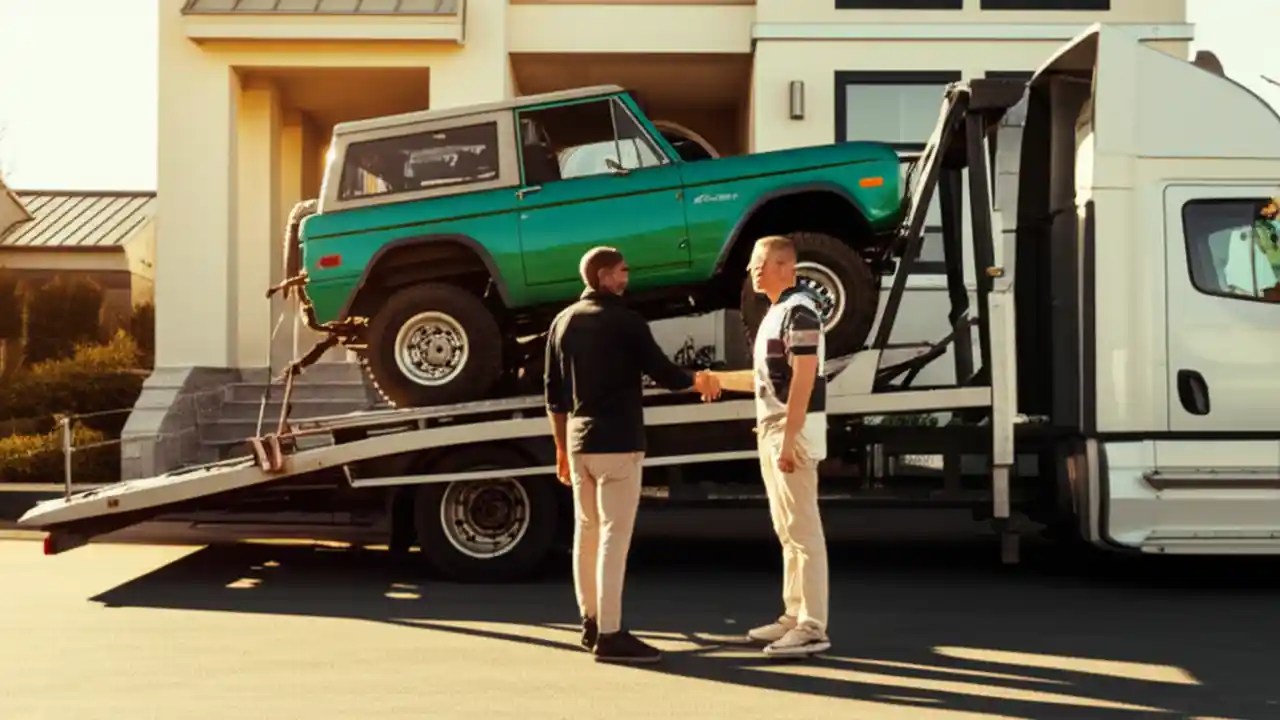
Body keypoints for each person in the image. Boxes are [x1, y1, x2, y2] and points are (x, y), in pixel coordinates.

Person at [544, 246, 720, 664]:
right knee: (612, 538)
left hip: (578, 440)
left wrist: (560, 449)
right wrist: (703, 382)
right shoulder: (626, 322)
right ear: (605, 276)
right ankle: (611, 633)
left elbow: (553, 394)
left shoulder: (562, 321)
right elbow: (665, 373)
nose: (627, 278)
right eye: (623, 271)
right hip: (618, 441)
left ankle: (589, 623)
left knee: (584, 535)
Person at [699, 234, 832, 657]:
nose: (753, 270)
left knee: (803, 531)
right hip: (775, 428)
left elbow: (804, 378)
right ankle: (794, 616)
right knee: (788, 530)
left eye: (761, 263)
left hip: (791, 431)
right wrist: (717, 380)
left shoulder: (800, 311)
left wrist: (789, 440)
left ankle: (812, 626)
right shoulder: (778, 313)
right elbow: (765, 381)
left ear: (785, 266)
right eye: (754, 264)